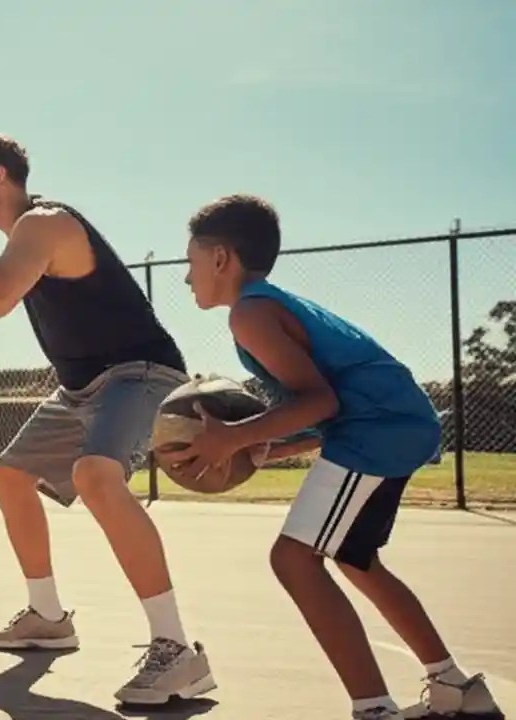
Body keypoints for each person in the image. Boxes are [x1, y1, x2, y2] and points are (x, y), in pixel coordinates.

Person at [0, 133, 214, 705]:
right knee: (9, 476)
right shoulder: (25, 238)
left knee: (96, 476)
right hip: (82, 387)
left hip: (140, 372)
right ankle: (47, 617)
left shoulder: (45, 222)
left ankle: (177, 651)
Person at [159, 194, 504, 720]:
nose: (187, 277)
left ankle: (373, 709)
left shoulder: (250, 313)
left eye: (191, 262)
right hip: (390, 423)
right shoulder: (266, 304)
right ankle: (456, 688)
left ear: (222, 258)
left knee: (293, 559)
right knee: (355, 559)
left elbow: (323, 400)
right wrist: (278, 445)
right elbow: (325, 404)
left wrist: (230, 438)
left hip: (378, 431)